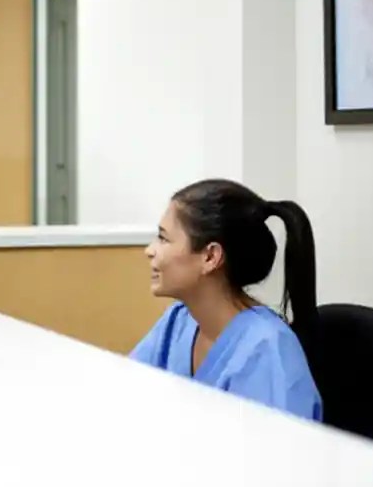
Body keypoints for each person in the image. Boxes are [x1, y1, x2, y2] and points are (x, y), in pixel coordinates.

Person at [129, 179, 323, 421]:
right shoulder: (177, 321)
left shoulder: (268, 351)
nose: (150, 250)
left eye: (163, 239)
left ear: (210, 257)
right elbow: (126, 396)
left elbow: (279, 454)